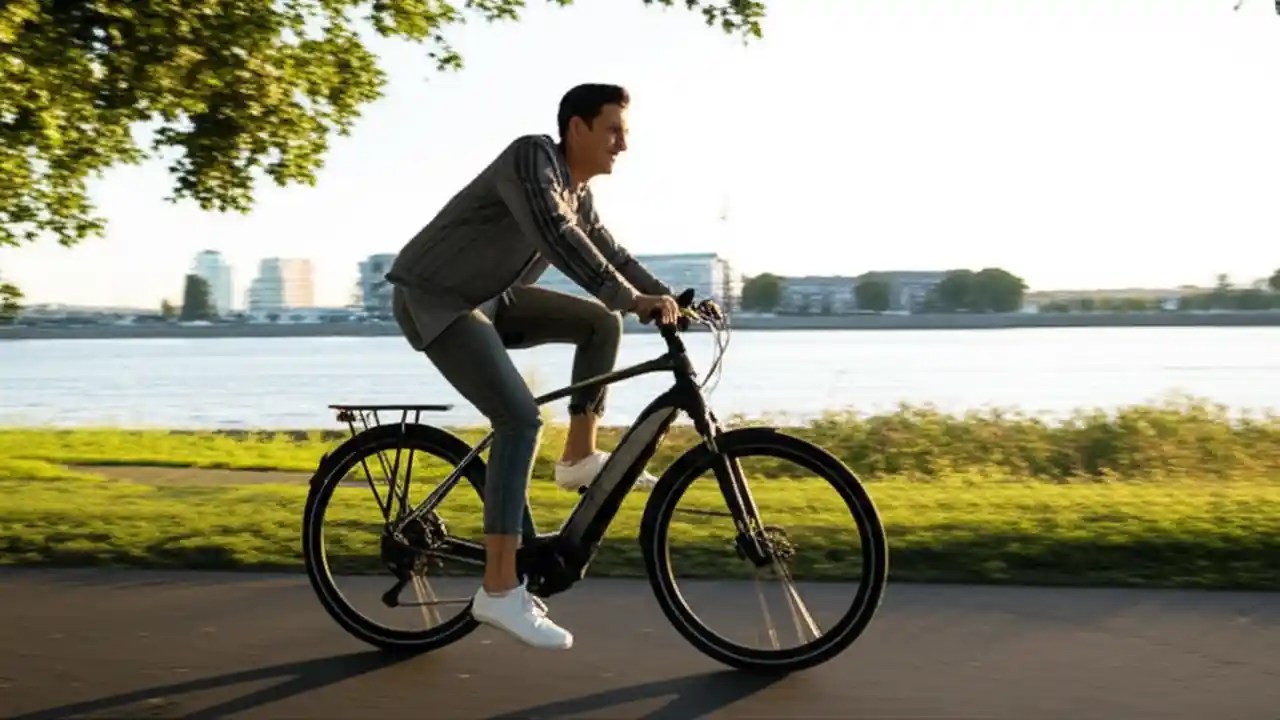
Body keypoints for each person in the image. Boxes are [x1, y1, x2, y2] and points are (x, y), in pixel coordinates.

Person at [384, 83, 680, 650]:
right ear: (577, 128)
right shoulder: (531, 159)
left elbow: (612, 254)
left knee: (601, 324)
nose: (623, 144)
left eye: (625, 132)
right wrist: (628, 297)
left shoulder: (578, 191)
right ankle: (498, 591)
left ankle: (577, 458)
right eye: (614, 130)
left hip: (494, 297)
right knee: (519, 421)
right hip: (438, 298)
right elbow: (560, 236)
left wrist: (670, 299)